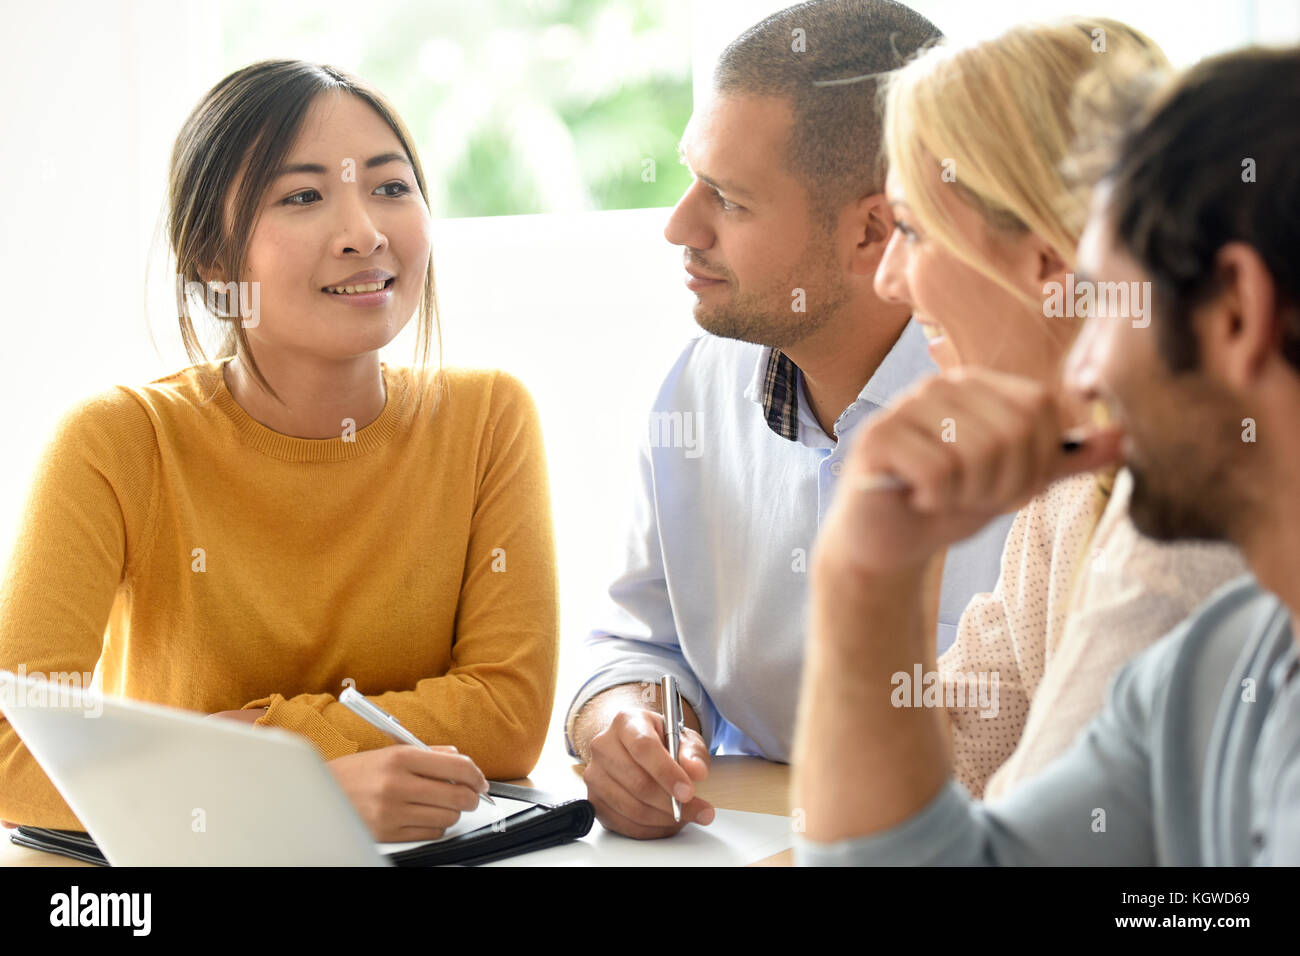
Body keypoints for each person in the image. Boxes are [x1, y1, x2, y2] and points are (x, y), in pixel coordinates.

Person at [0, 60, 559, 843]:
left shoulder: (488, 417)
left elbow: (507, 716)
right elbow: (14, 750)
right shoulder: (117, 442)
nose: (364, 232)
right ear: (212, 257)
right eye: (302, 197)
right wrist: (298, 796)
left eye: (391, 187)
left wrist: (256, 741)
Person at [793, 44, 1300, 865]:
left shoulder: (1183, 574)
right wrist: (866, 579)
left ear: (1237, 314)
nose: (1088, 369)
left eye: (1109, 301)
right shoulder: (1215, 667)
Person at [566, 0, 1015, 840]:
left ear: (875, 230)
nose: (678, 226)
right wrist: (622, 724)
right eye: (692, 176)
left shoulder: (1033, 417)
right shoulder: (693, 383)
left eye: (729, 201)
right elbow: (637, 641)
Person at [869, 17, 1244, 799]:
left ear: (1048, 260)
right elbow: (948, 770)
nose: (889, 280)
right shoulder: (1080, 478)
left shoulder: (1182, 529)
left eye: (910, 229)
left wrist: (868, 575)